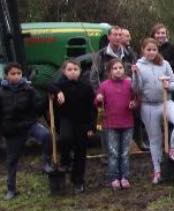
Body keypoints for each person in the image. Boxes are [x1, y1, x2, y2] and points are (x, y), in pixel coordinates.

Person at [133, 38, 174, 184]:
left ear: (158, 50)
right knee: (155, 139)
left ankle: (173, 148)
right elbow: (136, 89)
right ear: (143, 50)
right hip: (148, 105)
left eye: (154, 50)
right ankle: (157, 171)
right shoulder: (138, 66)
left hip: (166, 102)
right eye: (148, 50)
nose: (151, 52)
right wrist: (136, 75)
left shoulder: (164, 64)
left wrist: (168, 86)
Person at [1, 63, 52, 199]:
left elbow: (37, 108)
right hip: (12, 130)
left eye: (19, 73)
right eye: (13, 74)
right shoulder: (1, 92)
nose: (16, 76)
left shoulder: (29, 89)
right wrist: (4, 129)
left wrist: (46, 100)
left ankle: (46, 163)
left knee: (46, 135)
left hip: (29, 124)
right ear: (6, 75)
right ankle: (11, 189)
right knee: (12, 160)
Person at [48, 59, 96, 194]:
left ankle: (78, 180)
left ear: (80, 71)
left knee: (81, 151)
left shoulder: (86, 87)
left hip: (83, 122)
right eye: (69, 70)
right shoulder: (61, 85)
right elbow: (48, 85)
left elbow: (92, 109)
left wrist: (91, 126)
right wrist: (58, 91)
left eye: (75, 69)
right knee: (65, 139)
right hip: (66, 120)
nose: (73, 72)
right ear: (64, 71)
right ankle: (65, 161)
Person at [95, 58, 135, 190]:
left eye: (120, 68)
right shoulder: (104, 85)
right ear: (109, 71)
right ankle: (113, 177)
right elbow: (98, 105)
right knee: (113, 153)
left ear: (124, 69)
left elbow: (136, 98)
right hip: (111, 124)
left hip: (127, 123)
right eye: (115, 68)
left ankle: (124, 176)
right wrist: (98, 99)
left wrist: (134, 104)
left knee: (125, 152)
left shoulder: (129, 83)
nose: (118, 71)